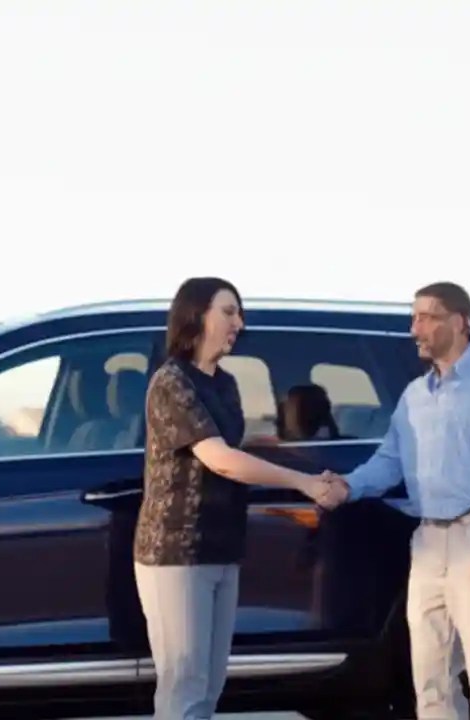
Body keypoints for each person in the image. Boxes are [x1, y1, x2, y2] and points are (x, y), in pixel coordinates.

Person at [320, 281, 470, 720]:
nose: (414, 328)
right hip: (426, 542)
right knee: (430, 681)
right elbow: (389, 462)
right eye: (413, 317)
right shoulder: (415, 396)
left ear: (459, 323)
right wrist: (346, 486)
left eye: (425, 317)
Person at [134, 276, 339, 720]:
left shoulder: (224, 383)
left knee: (209, 684)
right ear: (196, 315)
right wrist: (302, 483)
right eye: (228, 311)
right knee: (184, 683)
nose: (238, 323)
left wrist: (311, 470)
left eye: (239, 313)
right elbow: (220, 459)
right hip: (177, 552)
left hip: (223, 546)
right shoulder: (170, 383)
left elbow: (241, 454)